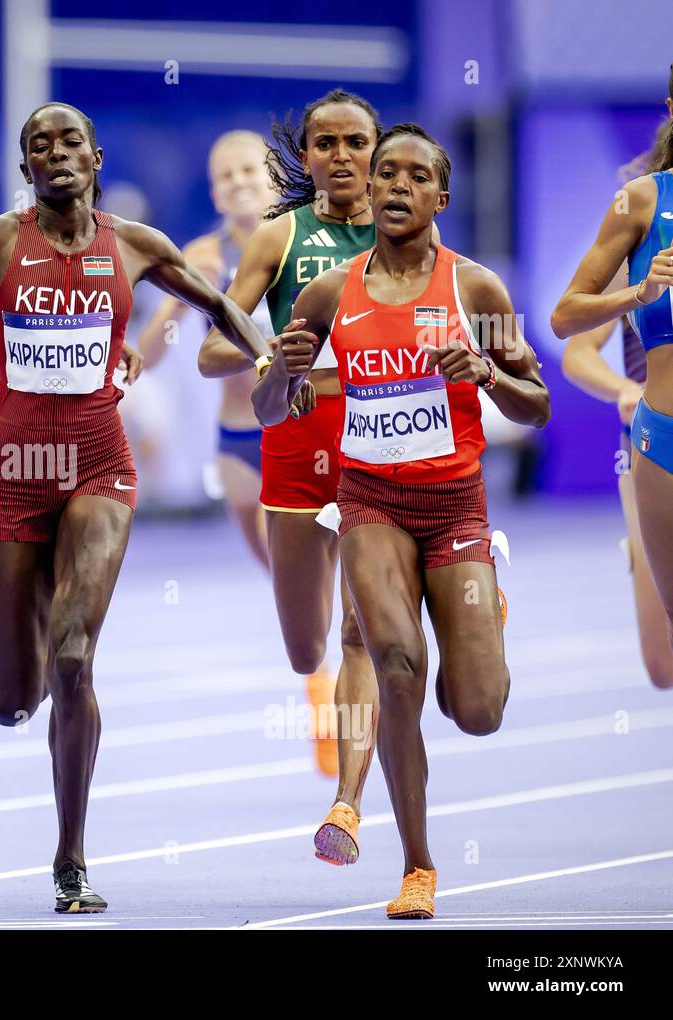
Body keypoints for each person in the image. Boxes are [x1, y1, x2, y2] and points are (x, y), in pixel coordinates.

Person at [0, 102, 269, 912]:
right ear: (27, 169)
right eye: (39, 146)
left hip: (98, 465)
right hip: (17, 469)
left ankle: (70, 861)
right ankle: (38, 642)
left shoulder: (133, 244)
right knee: (11, 701)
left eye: (70, 142)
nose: (56, 154)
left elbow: (219, 302)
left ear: (95, 156)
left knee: (77, 652)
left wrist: (273, 364)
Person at [253, 124, 550, 919]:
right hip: (370, 503)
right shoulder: (328, 294)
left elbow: (539, 403)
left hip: (455, 507)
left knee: (478, 710)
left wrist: (486, 372)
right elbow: (266, 408)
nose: (395, 185)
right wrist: (283, 376)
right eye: (387, 173)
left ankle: (483, 616)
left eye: (416, 176)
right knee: (395, 662)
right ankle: (416, 865)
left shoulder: (473, 291)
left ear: (440, 198)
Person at [199, 89, 385, 857]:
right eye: (324, 144)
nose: (341, 157)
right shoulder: (276, 238)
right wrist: (270, 352)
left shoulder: (405, 227)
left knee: (360, 633)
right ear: (302, 159)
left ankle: (346, 804)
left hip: (382, 448)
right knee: (307, 647)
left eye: (355, 142)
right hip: (287, 447)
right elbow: (214, 352)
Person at [554, 78, 673, 690]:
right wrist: (622, 392)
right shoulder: (637, 221)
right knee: (662, 666)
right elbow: (576, 348)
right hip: (649, 435)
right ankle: (642, 550)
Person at [136, 130, 276, 567]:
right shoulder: (202, 255)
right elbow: (147, 356)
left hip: (297, 432)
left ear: (274, 179)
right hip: (236, 437)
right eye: (226, 175)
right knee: (280, 577)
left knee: (300, 569)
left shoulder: (302, 246)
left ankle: (352, 633)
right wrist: (182, 295)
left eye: (249, 170)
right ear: (216, 194)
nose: (238, 181)